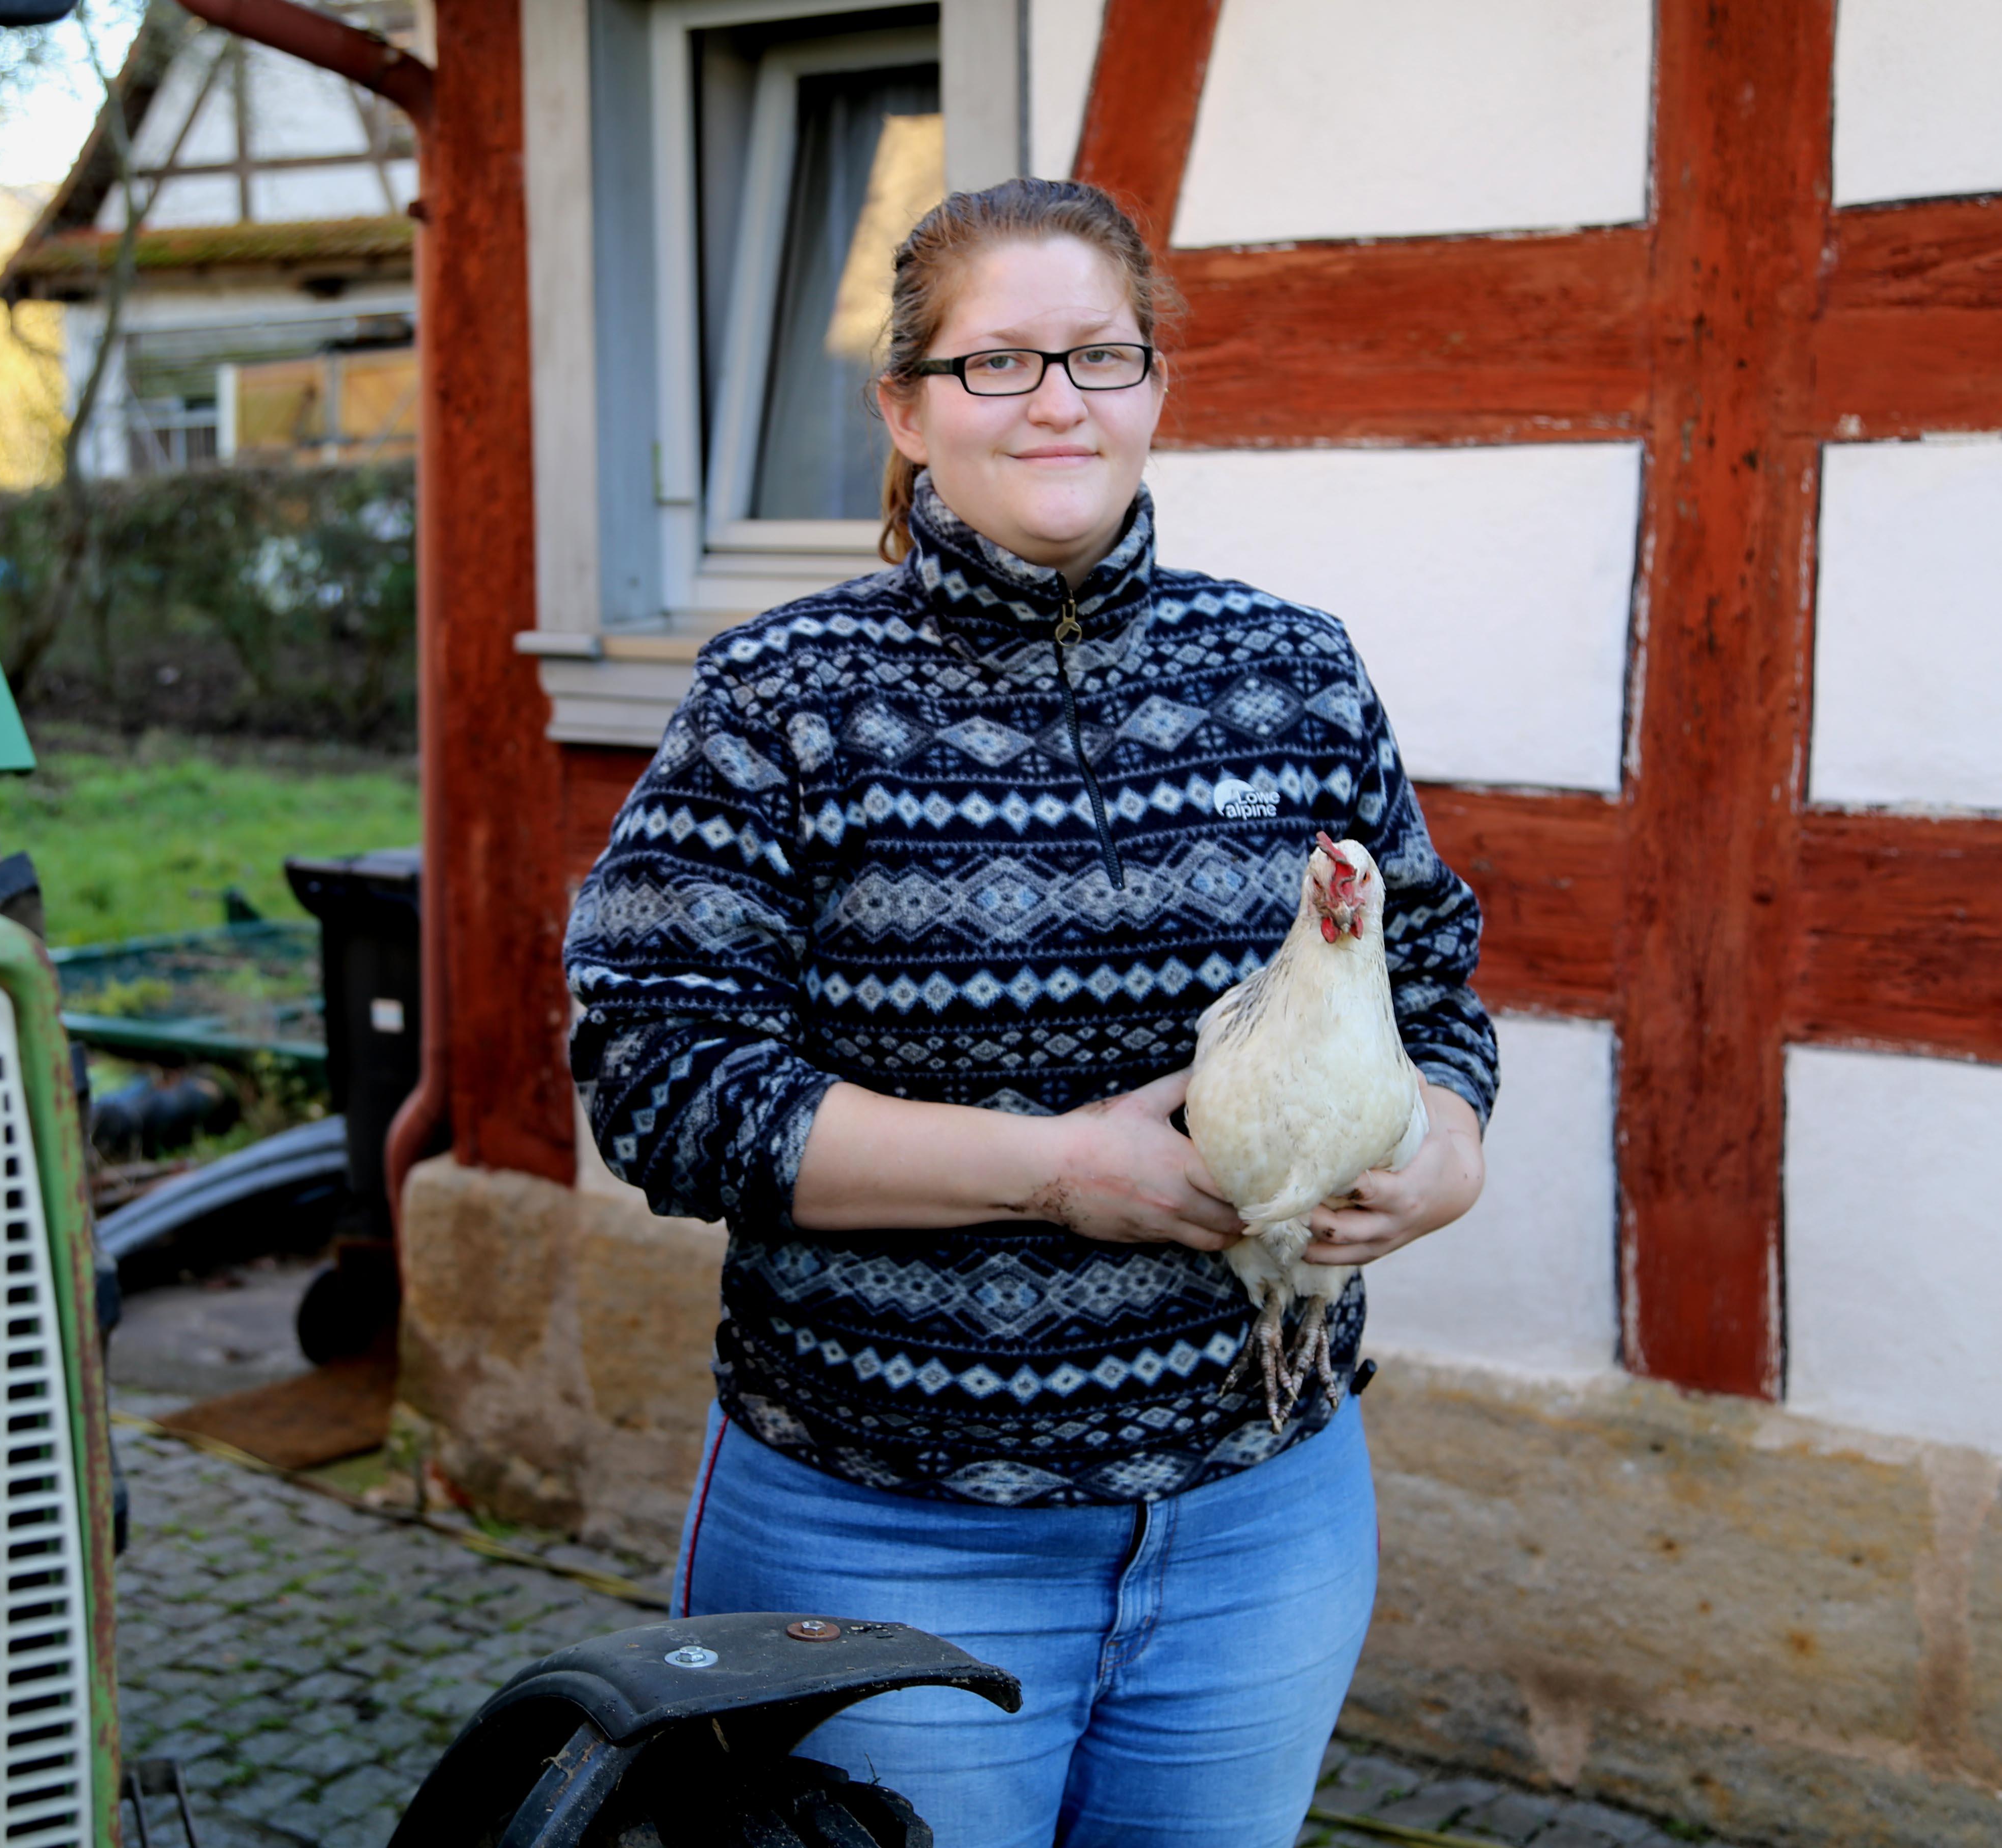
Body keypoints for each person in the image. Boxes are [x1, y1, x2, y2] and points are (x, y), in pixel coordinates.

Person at [562, 178, 1496, 1848]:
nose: (1058, 398)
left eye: (1100, 354)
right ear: (908, 412)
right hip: (886, 1533)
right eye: (998, 363)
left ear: (1155, 387)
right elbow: (661, 1081)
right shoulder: (784, 699)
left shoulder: (1293, 670)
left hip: (1262, 1521)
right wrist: (1058, 1171)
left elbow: (1428, 969)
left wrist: (1451, 1155)